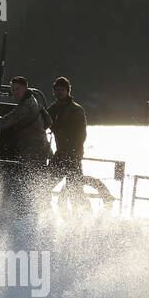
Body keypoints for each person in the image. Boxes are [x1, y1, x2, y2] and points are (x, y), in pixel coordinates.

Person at [0, 75, 49, 167]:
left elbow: (7, 121)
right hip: (35, 146)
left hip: (33, 148)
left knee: (29, 175)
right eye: (13, 90)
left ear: (25, 88)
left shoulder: (26, 105)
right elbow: (49, 122)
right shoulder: (33, 100)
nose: (15, 92)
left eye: (18, 89)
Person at [47, 76, 98, 210]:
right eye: (57, 90)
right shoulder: (53, 109)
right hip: (59, 155)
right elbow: (43, 121)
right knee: (44, 185)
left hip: (73, 156)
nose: (59, 93)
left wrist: (76, 153)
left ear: (68, 91)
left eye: (62, 90)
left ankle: (85, 218)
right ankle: (44, 213)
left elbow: (82, 134)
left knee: (75, 191)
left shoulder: (76, 110)